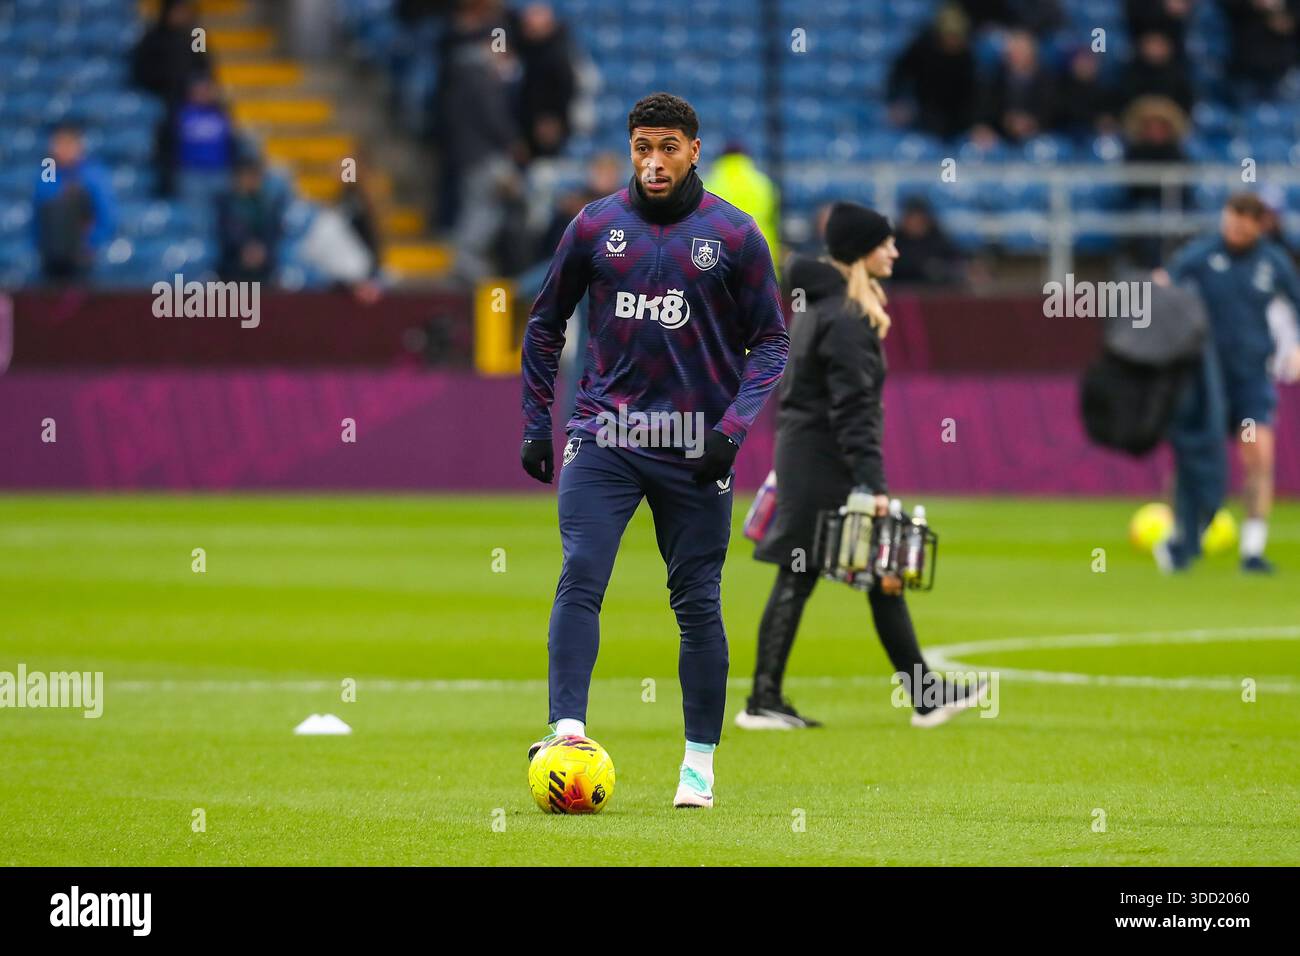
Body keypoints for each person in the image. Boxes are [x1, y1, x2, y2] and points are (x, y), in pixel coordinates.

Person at [518, 92, 789, 808]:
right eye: (642, 146)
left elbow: (772, 342)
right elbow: (545, 324)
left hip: (695, 448)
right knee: (581, 571)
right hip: (604, 435)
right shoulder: (595, 226)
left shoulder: (734, 236)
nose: (654, 160)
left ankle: (698, 761)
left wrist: (731, 433)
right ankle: (568, 732)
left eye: (668, 146)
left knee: (697, 602)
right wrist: (534, 422)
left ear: (694, 150)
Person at [739, 203, 984, 730]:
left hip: (809, 458)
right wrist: (872, 484)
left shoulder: (822, 309)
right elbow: (854, 413)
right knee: (805, 574)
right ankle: (763, 702)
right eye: (885, 243)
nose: (895, 251)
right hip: (823, 464)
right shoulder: (847, 319)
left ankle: (923, 696)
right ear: (860, 252)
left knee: (875, 575)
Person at [1157, 193, 1300, 572]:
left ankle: (1252, 551)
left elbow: (1297, 303)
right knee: (1192, 461)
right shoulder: (1200, 255)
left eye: (1245, 222)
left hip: (1249, 384)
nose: (1236, 228)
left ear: (1259, 225)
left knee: (1257, 455)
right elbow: (1163, 287)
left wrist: (1297, 347)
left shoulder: (1272, 262)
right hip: (1204, 385)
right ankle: (1178, 540)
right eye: (1231, 219)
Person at [32, 123, 117, 283]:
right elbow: (39, 213)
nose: (59, 149)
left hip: (83, 260)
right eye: (57, 143)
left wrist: (89, 243)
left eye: (65, 143)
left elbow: (107, 217)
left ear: (78, 145)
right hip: (51, 260)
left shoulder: (93, 175)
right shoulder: (48, 174)